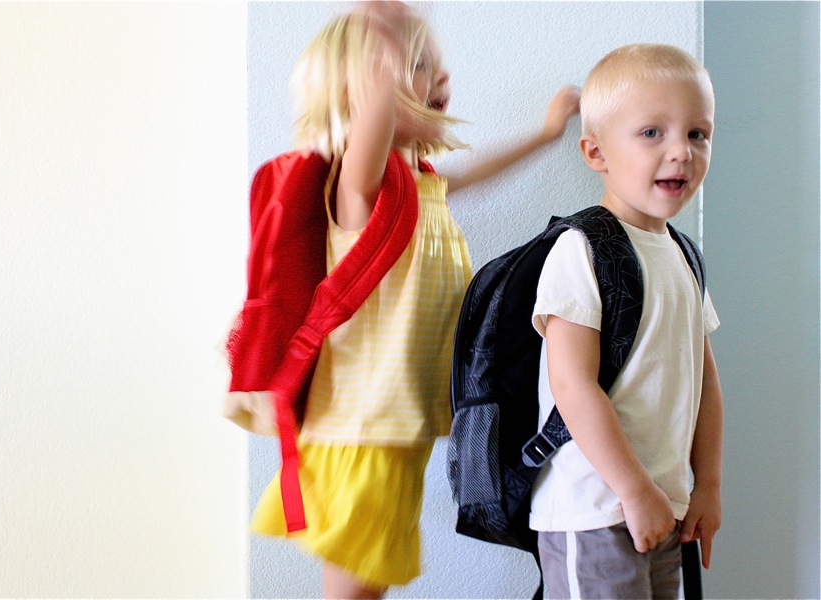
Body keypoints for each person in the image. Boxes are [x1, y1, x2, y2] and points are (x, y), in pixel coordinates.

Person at [249, 2, 579, 598]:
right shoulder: (360, 191)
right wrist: (391, 52)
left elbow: (483, 171)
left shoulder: (421, 183)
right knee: (354, 588)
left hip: (393, 424)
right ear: (366, 88)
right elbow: (371, 134)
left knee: (367, 584)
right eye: (418, 66)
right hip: (359, 424)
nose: (440, 77)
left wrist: (547, 133)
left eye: (433, 64)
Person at [529, 43, 724, 599]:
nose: (681, 153)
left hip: (665, 506)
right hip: (594, 508)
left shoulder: (683, 254)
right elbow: (571, 385)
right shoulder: (580, 248)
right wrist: (634, 491)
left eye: (697, 134)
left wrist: (706, 485)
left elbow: (705, 383)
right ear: (596, 153)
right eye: (651, 133)